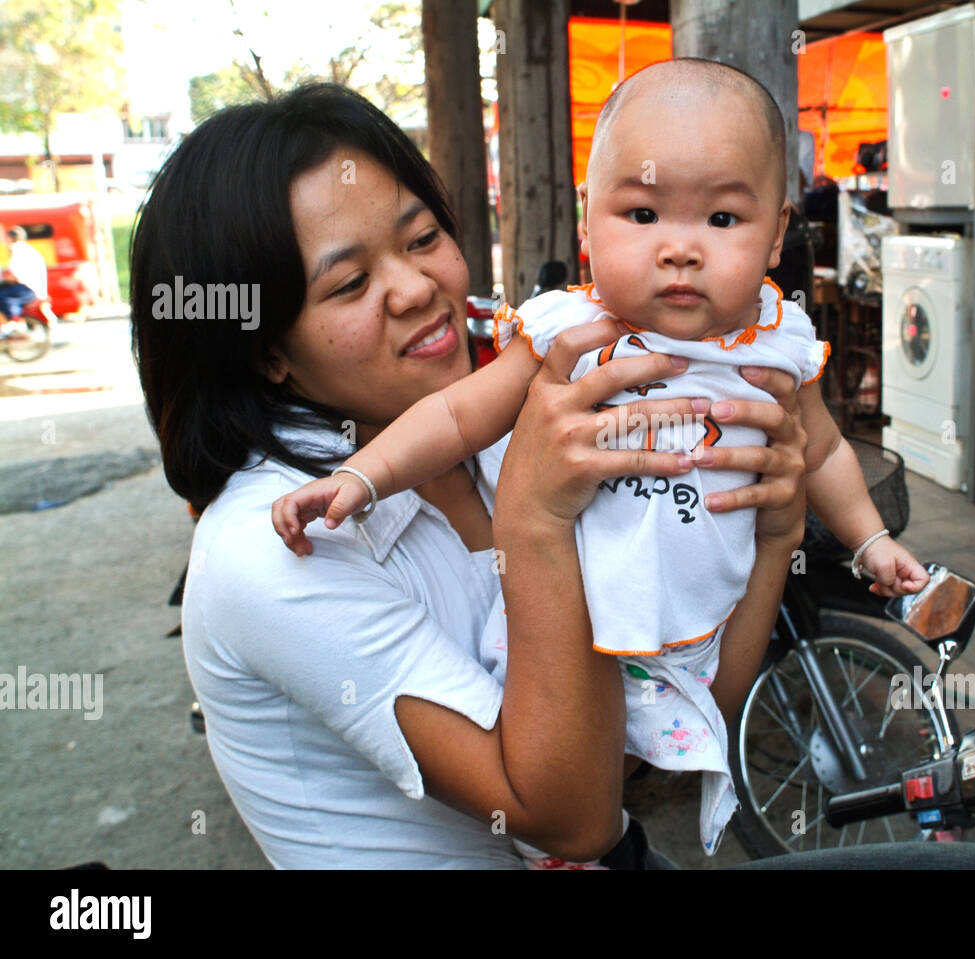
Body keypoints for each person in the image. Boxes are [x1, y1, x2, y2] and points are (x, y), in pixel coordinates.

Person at [128, 82, 809, 869]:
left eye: (421, 240)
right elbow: (572, 814)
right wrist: (537, 522)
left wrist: (773, 533)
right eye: (349, 284)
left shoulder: (497, 435)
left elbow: (664, 730)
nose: (420, 288)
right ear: (268, 352)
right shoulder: (278, 544)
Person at [270, 60, 929, 861]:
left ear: (779, 233)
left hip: (702, 630)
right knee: (564, 793)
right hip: (564, 632)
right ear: (589, 221)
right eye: (643, 212)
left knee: (648, 767)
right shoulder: (570, 331)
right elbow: (455, 413)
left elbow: (819, 449)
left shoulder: (780, 341)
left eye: (723, 219)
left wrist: (867, 540)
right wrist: (361, 476)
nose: (680, 249)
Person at [0, 226, 55, 325]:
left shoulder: (17, 250)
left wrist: (4, 280)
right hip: (37, 290)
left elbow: (16, 277)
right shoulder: (30, 250)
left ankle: (9, 323)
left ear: (10, 238)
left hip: (27, 289)